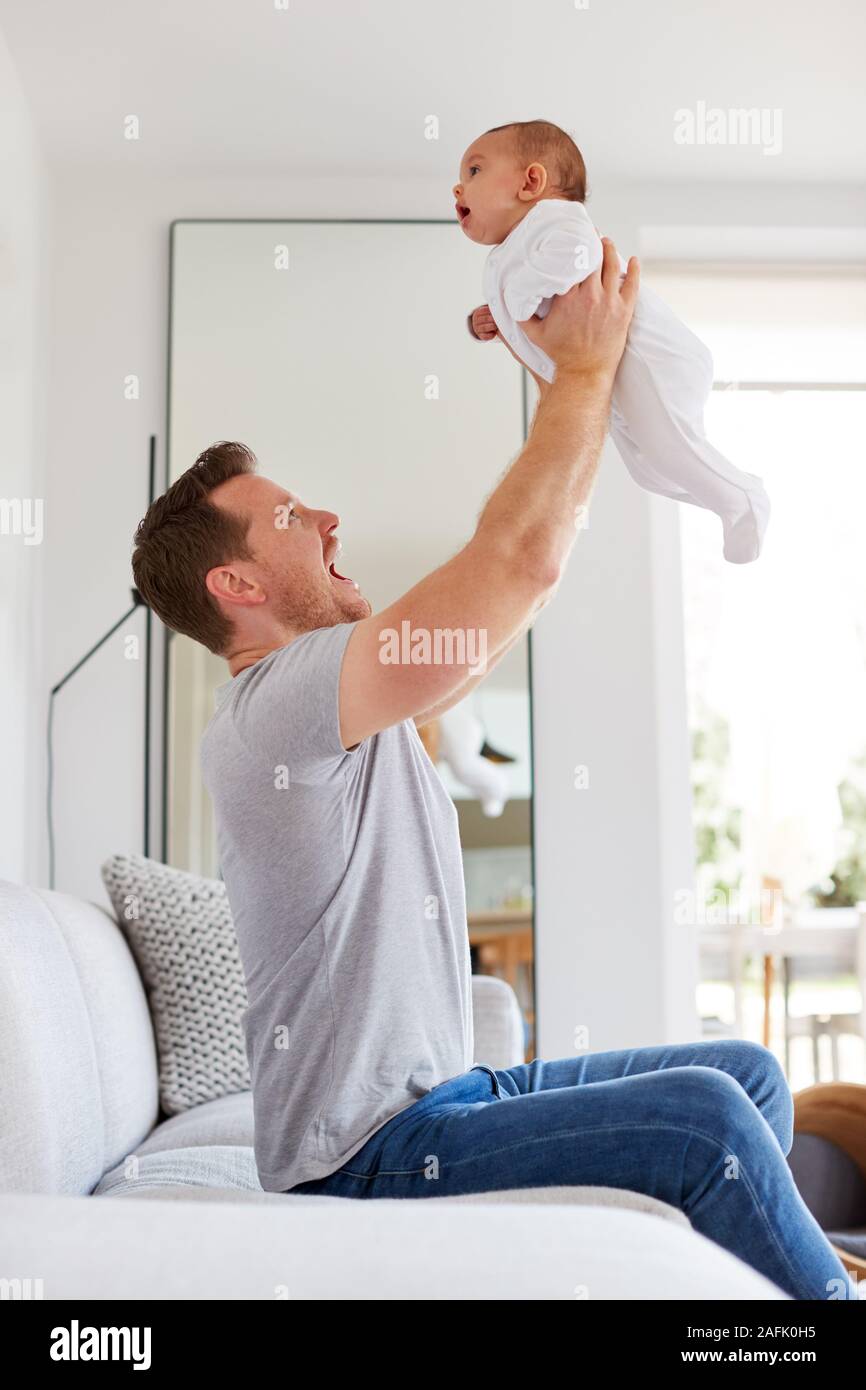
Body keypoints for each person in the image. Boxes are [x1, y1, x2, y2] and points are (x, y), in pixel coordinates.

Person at [131, 242, 851, 1300]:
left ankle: (732, 1287)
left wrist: (580, 386)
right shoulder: (273, 706)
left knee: (744, 1073)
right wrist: (577, 373)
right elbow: (512, 566)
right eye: (291, 517)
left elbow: (520, 586)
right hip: (362, 1160)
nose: (326, 518)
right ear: (235, 581)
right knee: (705, 1119)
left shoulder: (338, 706)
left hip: (445, 1094)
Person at [456, 119, 770, 563]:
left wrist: (519, 301)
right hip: (621, 377)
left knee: (669, 449)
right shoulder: (513, 251)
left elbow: (577, 256)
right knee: (650, 471)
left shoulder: (557, 222)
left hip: (653, 358)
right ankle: (724, 500)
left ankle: (745, 499)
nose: (458, 188)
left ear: (531, 181)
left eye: (474, 171)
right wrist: (486, 320)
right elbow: (525, 307)